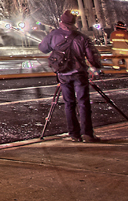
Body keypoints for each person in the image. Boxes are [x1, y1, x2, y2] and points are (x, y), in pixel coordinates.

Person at [39, 9, 104, 142]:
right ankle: (87, 134)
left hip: (63, 73)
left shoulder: (54, 34)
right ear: (74, 23)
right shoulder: (81, 37)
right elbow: (92, 56)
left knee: (69, 103)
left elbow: (43, 48)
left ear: (61, 22)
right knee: (83, 103)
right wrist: (96, 67)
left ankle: (74, 134)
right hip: (79, 73)